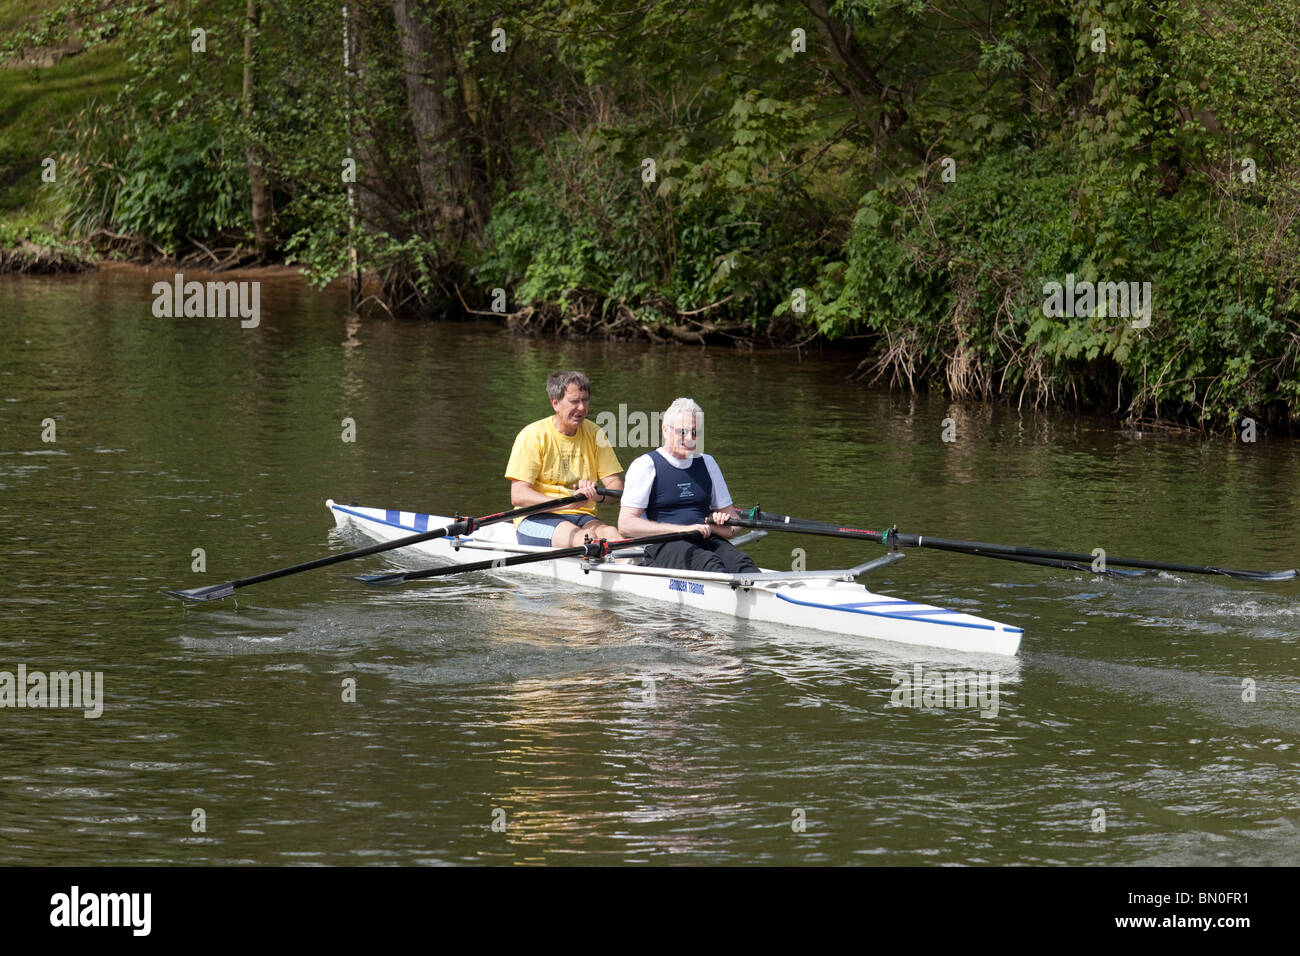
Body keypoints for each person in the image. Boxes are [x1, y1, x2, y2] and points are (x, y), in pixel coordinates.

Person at [617, 398, 758, 573]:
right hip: (663, 545)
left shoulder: (707, 463)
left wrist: (719, 526)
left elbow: (734, 526)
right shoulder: (646, 465)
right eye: (682, 432)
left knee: (742, 563)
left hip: (706, 540)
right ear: (665, 430)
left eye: (694, 432)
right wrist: (685, 529)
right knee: (709, 564)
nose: (690, 439)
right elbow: (625, 524)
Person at [505, 370, 625, 547]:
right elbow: (518, 495)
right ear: (556, 404)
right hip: (535, 517)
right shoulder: (533, 435)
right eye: (574, 401)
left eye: (585, 400)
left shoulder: (595, 434)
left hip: (583, 517)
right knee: (583, 537)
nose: (582, 408)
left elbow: (616, 489)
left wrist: (597, 495)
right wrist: (568, 503)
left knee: (612, 534)